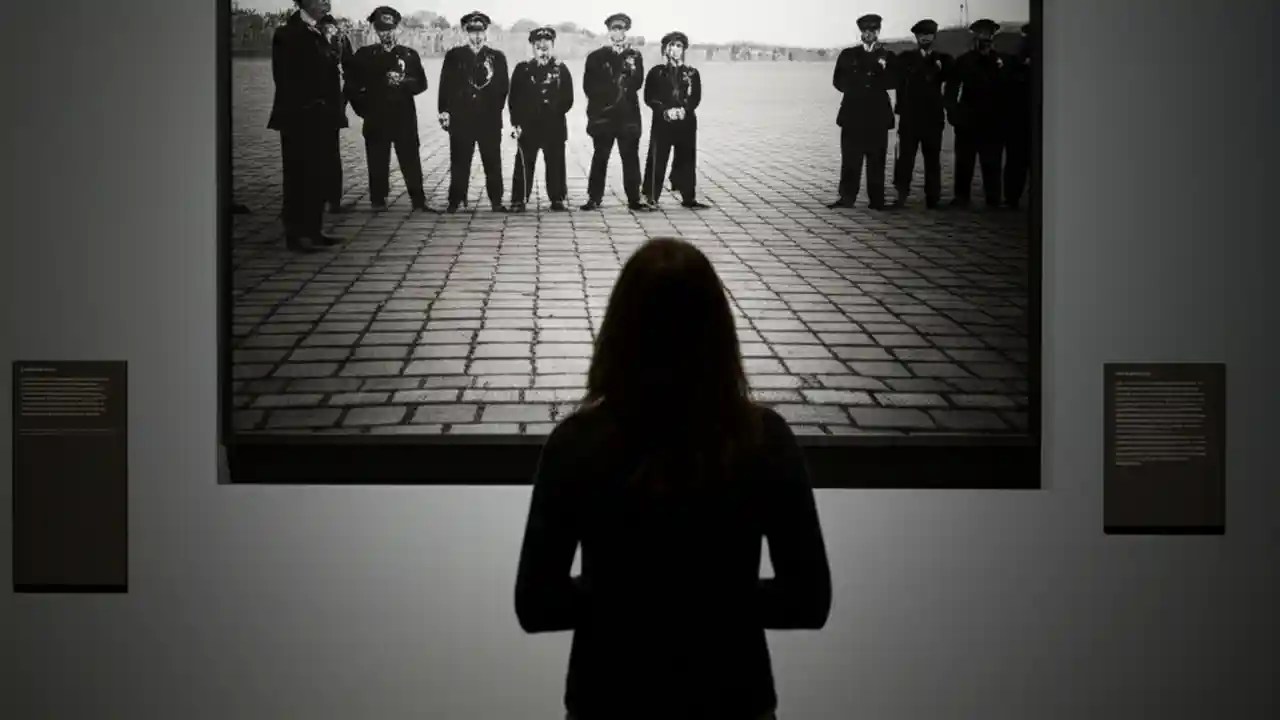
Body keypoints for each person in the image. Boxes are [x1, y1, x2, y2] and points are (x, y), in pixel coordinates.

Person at [514, 237, 833, 720]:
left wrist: (627, 598)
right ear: (719, 332)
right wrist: (712, 600)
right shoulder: (762, 439)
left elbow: (536, 605)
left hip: (610, 693)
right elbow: (808, 601)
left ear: (618, 331)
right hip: (731, 694)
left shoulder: (575, 444)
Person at [266, 0, 347, 252]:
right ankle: (296, 234)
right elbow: (285, 76)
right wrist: (309, 105)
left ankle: (313, 230)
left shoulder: (320, 31)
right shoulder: (288, 34)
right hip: (300, 117)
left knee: (319, 174)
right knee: (298, 176)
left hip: (323, 116)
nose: (327, 4)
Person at [346, 6, 433, 212]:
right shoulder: (365, 55)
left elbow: (421, 84)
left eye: (391, 28)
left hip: (403, 117)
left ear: (398, 28)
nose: (387, 33)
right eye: (382, 29)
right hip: (376, 117)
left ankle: (418, 201)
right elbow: (351, 86)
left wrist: (403, 82)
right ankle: (378, 201)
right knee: (377, 158)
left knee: (410, 158)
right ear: (375, 30)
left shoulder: (409, 55)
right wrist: (363, 110)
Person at [438, 11, 510, 213]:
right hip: (462, 118)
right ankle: (455, 200)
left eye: (480, 31)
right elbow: (445, 85)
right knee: (460, 160)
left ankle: (496, 200)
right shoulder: (454, 56)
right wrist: (444, 110)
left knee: (492, 161)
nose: (476, 36)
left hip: (489, 119)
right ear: (465, 32)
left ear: (486, 32)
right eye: (472, 31)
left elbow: (504, 87)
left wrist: (493, 108)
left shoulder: (497, 57)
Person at [581, 13, 648, 211]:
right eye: (614, 29)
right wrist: (608, 95)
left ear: (626, 32)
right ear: (608, 31)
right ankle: (594, 197)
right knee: (600, 156)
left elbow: (637, 83)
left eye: (621, 29)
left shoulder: (634, 56)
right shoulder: (596, 57)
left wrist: (629, 70)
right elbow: (589, 88)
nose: (617, 33)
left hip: (627, 116)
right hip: (604, 116)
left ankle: (634, 198)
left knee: (630, 157)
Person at [829, 13, 896, 210]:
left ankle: (877, 200)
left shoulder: (887, 56)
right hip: (852, 114)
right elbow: (838, 81)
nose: (868, 34)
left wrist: (877, 74)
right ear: (861, 32)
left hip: (877, 116)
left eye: (873, 31)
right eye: (865, 31)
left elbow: (894, 80)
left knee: (876, 159)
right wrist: (857, 86)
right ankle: (847, 197)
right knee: (850, 159)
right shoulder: (848, 55)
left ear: (878, 32)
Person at [508, 26, 574, 213]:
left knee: (555, 163)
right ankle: (519, 199)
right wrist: (516, 123)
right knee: (523, 163)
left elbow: (568, 98)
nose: (543, 51)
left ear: (552, 47)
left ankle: (557, 198)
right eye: (539, 47)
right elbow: (513, 99)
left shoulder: (562, 70)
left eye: (546, 47)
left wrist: (553, 109)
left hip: (554, 126)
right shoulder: (522, 69)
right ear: (533, 48)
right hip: (528, 126)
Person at [642, 31, 710, 209]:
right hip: (663, 123)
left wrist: (685, 110)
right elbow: (649, 97)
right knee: (657, 158)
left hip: (686, 123)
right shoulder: (656, 72)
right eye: (671, 46)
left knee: (687, 159)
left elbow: (695, 97)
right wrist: (664, 111)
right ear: (665, 49)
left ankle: (688, 197)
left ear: (684, 50)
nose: (675, 49)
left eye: (679, 46)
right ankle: (651, 195)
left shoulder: (692, 73)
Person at [945, 18, 1007, 208]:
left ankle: (993, 198)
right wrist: (953, 113)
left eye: (987, 33)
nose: (984, 37)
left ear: (992, 36)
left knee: (993, 161)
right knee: (964, 161)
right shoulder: (964, 61)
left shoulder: (1000, 61)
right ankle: (962, 197)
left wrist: (1005, 115)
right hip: (968, 118)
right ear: (974, 36)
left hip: (992, 119)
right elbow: (951, 89)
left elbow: (1008, 90)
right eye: (980, 33)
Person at [892, 18, 952, 209]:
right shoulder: (905, 58)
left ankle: (933, 198)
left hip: (933, 117)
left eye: (928, 34)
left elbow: (951, 80)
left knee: (933, 158)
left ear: (934, 36)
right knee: (905, 158)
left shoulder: (944, 59)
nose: (925, 38)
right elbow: (898, 83)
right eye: (921, 35)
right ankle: (901, 194)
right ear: (916, 37)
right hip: (910, 117)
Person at [318, 14, 357, 214]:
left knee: (331, 153)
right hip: (309, 105)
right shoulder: (304, 34)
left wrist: (343, 101)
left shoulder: (340, 37)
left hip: (331, 104)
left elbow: (351, 71)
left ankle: (333, 200)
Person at [1002, 22, 1034, 210]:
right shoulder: (1017, 61)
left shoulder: (1018, 57)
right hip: (1020, 118)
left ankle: (1012, 198)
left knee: (1017, 161)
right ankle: (1012, 198)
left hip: (1020, 118)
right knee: (1017, 161)